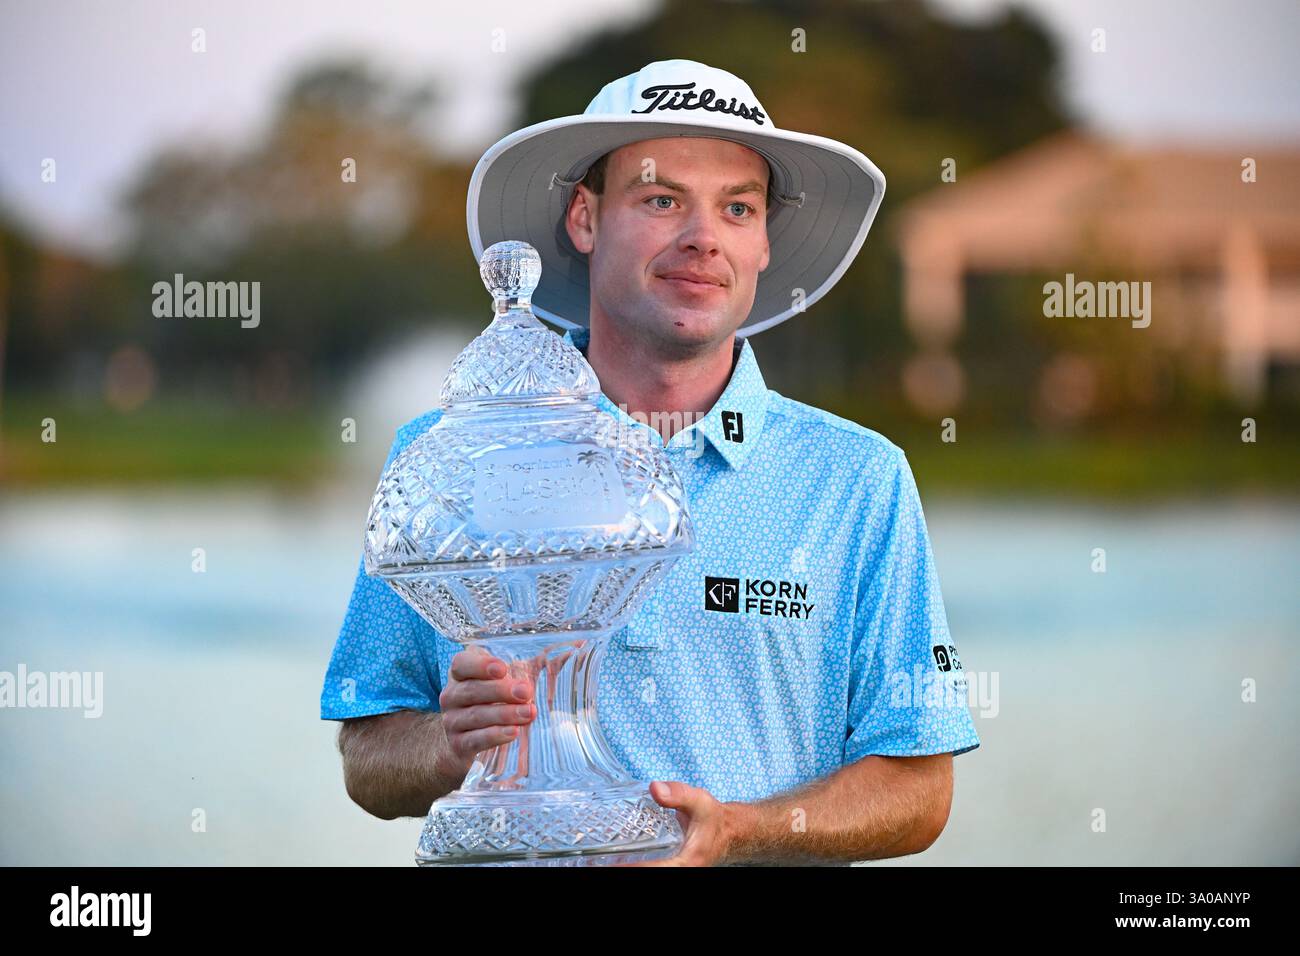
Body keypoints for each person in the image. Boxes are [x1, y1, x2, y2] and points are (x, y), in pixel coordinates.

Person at [320, 59, 979, 866]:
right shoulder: (448, 454)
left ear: (764, 240)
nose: (703, 237)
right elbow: (367, 754)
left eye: (738, 207)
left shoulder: (858, 478)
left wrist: (740, 831)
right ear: (585, 218)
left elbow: (920, 784)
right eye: (662, 199)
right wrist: (453, 745)